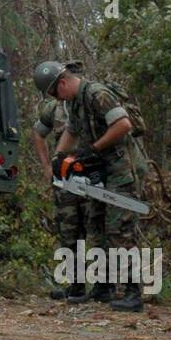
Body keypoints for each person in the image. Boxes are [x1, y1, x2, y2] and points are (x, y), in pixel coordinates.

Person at [33, 60, 148, 311]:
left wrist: (93, 149)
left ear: (62, 83)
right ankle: (103, 287)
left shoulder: (97, 94)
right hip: (99, 173)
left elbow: (123, 125)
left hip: (121, 171)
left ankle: (133, 292)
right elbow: (71, 131)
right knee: (97, 226)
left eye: (54, 93)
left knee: (119, 229)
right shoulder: (73, 102)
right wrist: (59, 159)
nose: (55, 98)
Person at [32, 62, 87, 302]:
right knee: (68, 231)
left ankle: (105, 286)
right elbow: (38, 134)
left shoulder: (86, 101)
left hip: (90, 173)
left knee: (96, 229)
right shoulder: (53, 109)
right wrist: (47, 166)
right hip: (64, 177)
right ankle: (75, 285)